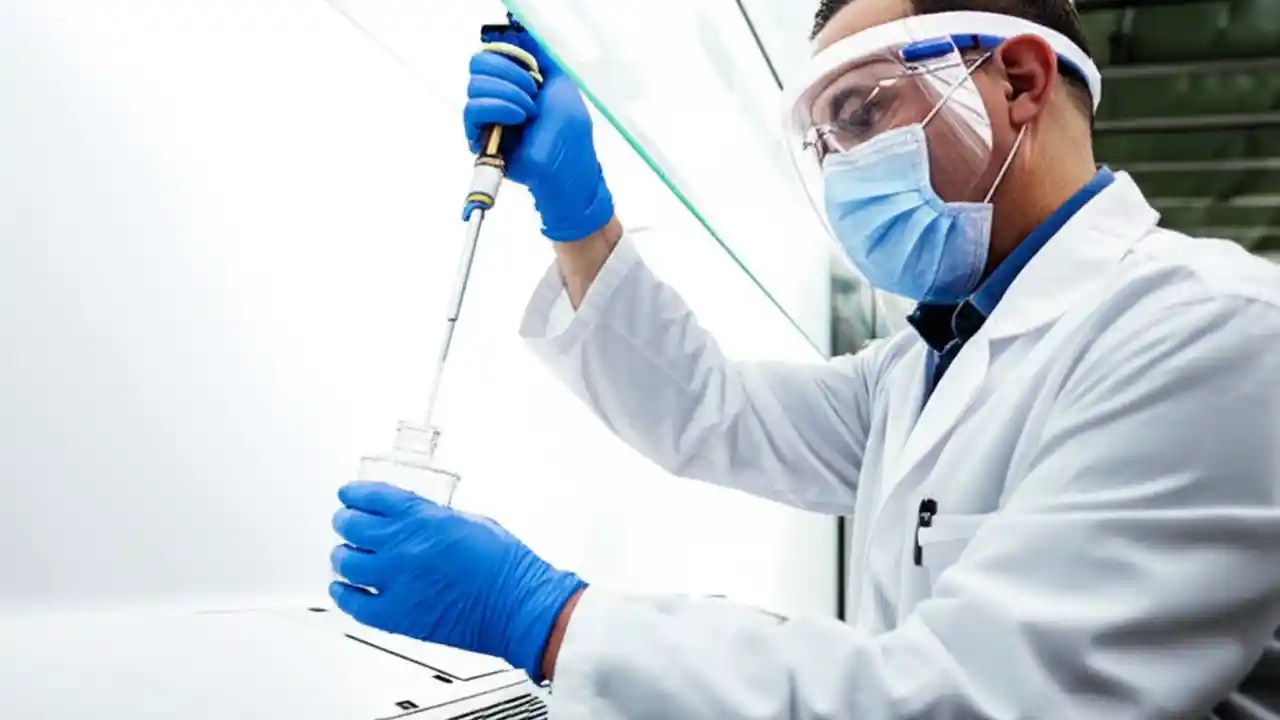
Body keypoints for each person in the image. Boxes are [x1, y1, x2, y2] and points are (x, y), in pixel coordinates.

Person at [328, 0, 1280, 716]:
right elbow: (711, 415)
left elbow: (968, 701)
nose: (838, 167)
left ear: (1022, 83)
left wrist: (547, 618)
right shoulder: (927, 363)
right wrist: (579, 216)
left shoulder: (1206, 333)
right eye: (821, 139)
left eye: (862, 112)